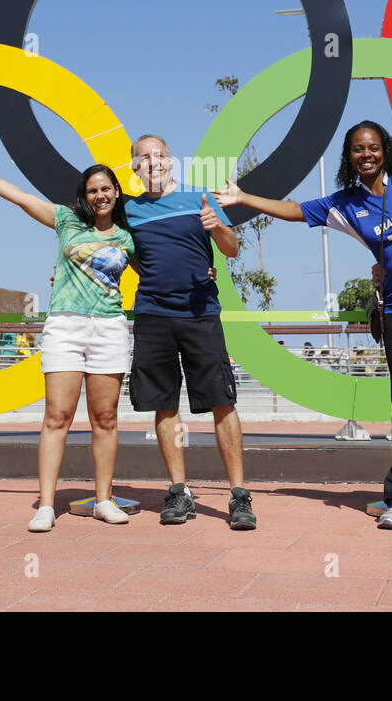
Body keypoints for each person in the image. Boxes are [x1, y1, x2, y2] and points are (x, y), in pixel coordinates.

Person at [217, 120, 392, 532]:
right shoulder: (347, 203)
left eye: (373, 147)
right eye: (358, 149)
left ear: (385, 148)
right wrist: (244, 197)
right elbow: (295, 211)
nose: (367, 154)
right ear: (349, 157)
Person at [0, 146, 136, 532]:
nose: (99, 195)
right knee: (57, 416)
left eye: (105, 188)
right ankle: (47, 506)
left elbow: (160, 269)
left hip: (109, 329)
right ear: (84, 197)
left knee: (105, 418)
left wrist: (206, 274)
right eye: (91, 190)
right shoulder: (67, 220)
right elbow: (21, 198)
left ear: (116, 192)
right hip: (65, 328)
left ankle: (104, 500)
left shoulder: (129, 236)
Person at [124, 133, 255, 530]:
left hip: (201, 316)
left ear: (170, 162)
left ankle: (239, 496)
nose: (153, 162)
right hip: (153, 317)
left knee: (222, 402)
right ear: (134, 167)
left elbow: (231, 249)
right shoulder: (128, 211)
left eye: (159, 155)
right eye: (144, 157)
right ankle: (179, 492)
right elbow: (131, 258)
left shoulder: (200, 198)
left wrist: (217, 227)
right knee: (165, 405)